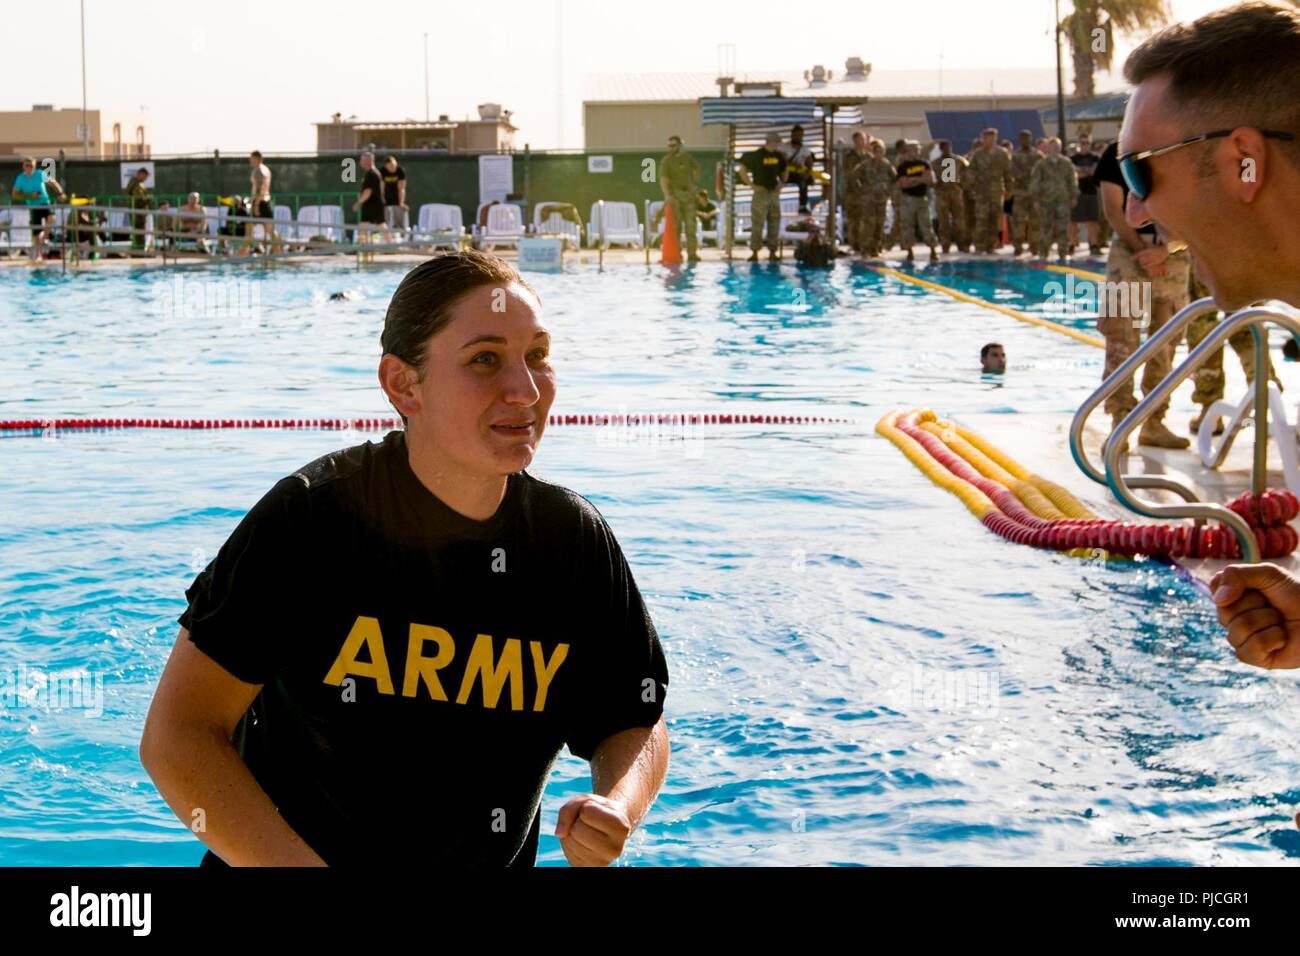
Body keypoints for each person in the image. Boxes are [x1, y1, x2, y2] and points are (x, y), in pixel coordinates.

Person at [140, 250, 671, 866]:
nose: (525, 390)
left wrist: (618, 802)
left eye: (537, 356)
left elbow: (634, 715)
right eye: (485, 359)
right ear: (403, 384)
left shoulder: (571, 543)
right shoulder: (314, 521)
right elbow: (179, 735)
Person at [1095, 137, 1192, 449]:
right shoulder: (1117, 152)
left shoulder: (1183, 149)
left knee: (1166, 342)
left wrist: (1166, 250)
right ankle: (1120, 420)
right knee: (1121, 339)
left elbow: (1198, 211)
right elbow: (1113, 208)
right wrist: (1142, 251)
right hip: (1128, 252)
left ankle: (1154, 421)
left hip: (1175, 254)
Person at [737, 132, 787, 261]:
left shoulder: (778, 156)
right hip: (760, 192)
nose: (778, 145)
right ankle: (754, 251)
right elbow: (742, 169)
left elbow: (785, 170)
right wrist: (752, 185)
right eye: (777, 143)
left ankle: (772, 251)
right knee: (757, 223)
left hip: (773, 193)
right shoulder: (757, 155)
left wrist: (781, 184)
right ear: (772, 142)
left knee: (774, 222)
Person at [1028, 137, 1079, 262]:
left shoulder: (1066, 163)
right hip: (1046, 201)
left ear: (1060, 148)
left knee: (1062, 228)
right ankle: (1043, 253)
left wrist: (1074, 196)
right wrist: (1035, 200)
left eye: (1057, 146)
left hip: (1063, 201)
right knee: (1046, 227)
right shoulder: (1041, 164)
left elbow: (1072, 181)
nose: (1055, 149)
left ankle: (1063, 253)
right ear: (1048, 148)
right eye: (1053, 146)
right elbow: (1035, 182)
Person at [967, 128, 1013, 254]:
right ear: (983, 139)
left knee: (994, 219)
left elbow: (1008, 172)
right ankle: (979, 246)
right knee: (981, 219)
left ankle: (991, 245)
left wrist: (1009, 189)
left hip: (997, 192)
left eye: (992, 138)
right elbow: (971, 170)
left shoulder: (1002, 153)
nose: (989, 141)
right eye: (986, 138)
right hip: (982, 191)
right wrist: (971, 185)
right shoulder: (978, 154)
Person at [894, 140, 938, 263]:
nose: (916, 152)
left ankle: (933, 250)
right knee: (907, 226)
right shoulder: (903, 166)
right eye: (913, 150)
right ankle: (909, 251)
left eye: (917, 149)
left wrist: (912, 180)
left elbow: (930, 181)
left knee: (927, 225)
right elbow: (903, 184)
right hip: (907, 199)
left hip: (922, 198)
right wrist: (920, 179)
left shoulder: (925, 164)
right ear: (908, 151)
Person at [11, 156, 63, 260]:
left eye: (32, 166)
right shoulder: (20, 178)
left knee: (51, 218)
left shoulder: (39, 173)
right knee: (36, 233)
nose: (29, 168)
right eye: (27, 165)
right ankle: (38, 254)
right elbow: (15, 194)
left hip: (44, 202)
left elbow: (53, 182)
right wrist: (31, 196)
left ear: (34, 166)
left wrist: (60, 193)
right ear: (23, 166)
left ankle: (45, 238)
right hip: (33, 206)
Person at [659, 135, 700, 262]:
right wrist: (667, 195)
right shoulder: (667, 160)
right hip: (675, 196)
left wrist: (694, 186)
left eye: (674, 145)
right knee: (676, 227)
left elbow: (696, 170)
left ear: (680, 145)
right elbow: (663, 179)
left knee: (690, 226)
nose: (671, 148)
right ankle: (677, 253)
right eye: (669, 146)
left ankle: (692, 253)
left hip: (688, 195)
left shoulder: (688, 158)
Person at [1009, 130, 1044, 256]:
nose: (1025, 141)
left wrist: (1025, 172)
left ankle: (1034, 246)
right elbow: (1013, 172)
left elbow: (1041, 173)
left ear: (1030, 139)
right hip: (1020, 193)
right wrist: (1029, 172)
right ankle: (1018, 246)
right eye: (1022, 138)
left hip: (1035, 194)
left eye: (1027, 138)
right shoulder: (1015, 155)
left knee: (1035, 221)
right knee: (1019, 221)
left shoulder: (1038, 155)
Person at [1068, 133, 1103, 255]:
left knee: (1092, 221)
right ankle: (1071, 244)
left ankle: (1093, 244)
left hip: (1092, 192)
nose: (1085, 145)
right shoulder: (1073, 159)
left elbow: (1094, 172)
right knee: (1073, 221)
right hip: (1077, 193)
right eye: (1083, 143)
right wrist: (1085, 172)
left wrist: (1081, 171)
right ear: (1079, 144)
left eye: (1087, 143)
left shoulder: (1095, 158)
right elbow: (1075, 173)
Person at [930, 140, 968, 254]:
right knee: (943, 221)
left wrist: (962, 185)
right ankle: (945, 245)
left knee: (959, 220)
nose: (948, 150)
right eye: (945, 148)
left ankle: (962, 244)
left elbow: (967, 173)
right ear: (941, 149)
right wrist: (935, 184)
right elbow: (931, 177)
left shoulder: (959, 161)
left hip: (956, 193)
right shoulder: (935, 163)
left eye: (949, 148)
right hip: (942, 194)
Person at [843, 131, 871, 254]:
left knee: (864, 219)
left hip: (866, 193)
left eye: (864, 140)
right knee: (853, 220)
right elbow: (850, 175)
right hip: (853, 193)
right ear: (855, 141)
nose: (863, 142)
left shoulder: (868, 156)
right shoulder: (850, 156)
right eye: (860, 140)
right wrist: (858, 188)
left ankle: (863, 244)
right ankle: (854, 244)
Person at [781, 124, 817, 214]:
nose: (798, 137)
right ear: (792, 135)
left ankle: (802, 206)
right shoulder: (784, 147)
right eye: (796, 135)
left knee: (804, 181)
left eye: (800, 135)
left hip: (799, 174)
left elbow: (810, 164)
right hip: (785, 173)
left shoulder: (805, 149)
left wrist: (808, 174)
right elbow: (782, 161)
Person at [352, 151, 386, 242]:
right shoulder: (374, 173)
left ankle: (362, 246)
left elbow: (368, 192)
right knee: (374, 225)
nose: (360, 162)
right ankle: (362, 245)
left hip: (373, 204)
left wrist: (358, 203)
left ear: (367, 161)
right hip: (374, 204)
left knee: (378, 225)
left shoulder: (371, 174)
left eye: (362, 160)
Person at [247, 151, 276, 253]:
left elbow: (260, 187)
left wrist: (256, 204)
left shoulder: (259, 170)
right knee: (269, 230)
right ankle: (278, 251)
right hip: (264, 201)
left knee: (249, 229)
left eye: (251, 159)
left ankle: (243, 252)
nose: (250, 161)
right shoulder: (265, 169)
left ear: (257, 158)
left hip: (260, 202)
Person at [381, 155, 409, 238]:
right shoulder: (382, 172)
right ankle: (385, 240)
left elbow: (402, 188)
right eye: (391, 166)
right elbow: (381, 188)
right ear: (386, 166)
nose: (393, 167)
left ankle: (403, 240)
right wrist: (381, 201)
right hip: (386, 200)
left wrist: (401, 203)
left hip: (397, 200)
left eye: (394, 165)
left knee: (401, 223)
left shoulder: (400, 171)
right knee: (385, 223)